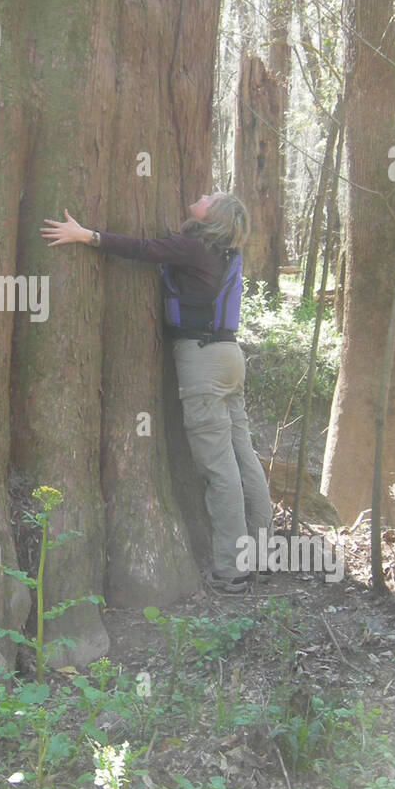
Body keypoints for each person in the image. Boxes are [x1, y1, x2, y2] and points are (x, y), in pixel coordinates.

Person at [41, 193, 274, 595]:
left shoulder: (193, 247)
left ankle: (232, 571)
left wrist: (87, 236)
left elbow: (142, 249)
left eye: (209, 197)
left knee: (220, 468)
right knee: (243, 459)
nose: (201, 195)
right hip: (229, 357)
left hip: (204, 363)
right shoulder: (222, 251)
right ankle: (265, 559)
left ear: (213, 215)